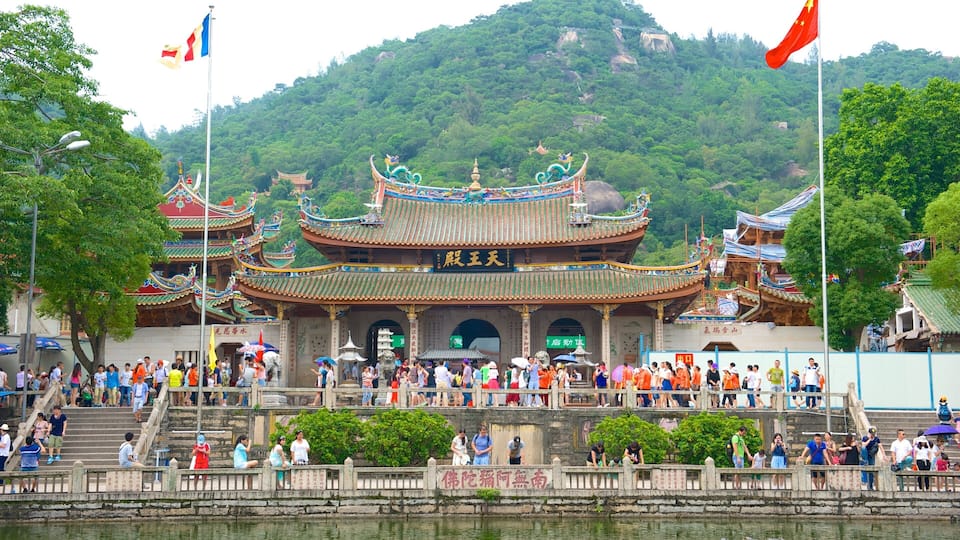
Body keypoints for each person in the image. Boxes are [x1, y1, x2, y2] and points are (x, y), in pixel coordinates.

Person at [0, 424, 9, 491]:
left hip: (3, 454)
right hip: (1, 454)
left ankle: (1, 481)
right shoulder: (2, 436)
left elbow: (3, 445)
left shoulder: (6, 436)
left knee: (1, 468)